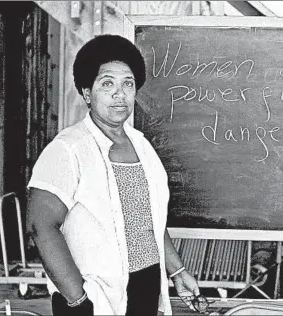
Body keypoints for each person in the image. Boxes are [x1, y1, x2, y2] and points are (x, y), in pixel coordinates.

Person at [26, 34, 201, 316]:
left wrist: (177, 271)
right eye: (107, 83)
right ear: (86, 92)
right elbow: (41, 225)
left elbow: (151, 219)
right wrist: (77, 300)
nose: (120, 94)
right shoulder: (68, 149)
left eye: (127, 84)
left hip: (145, 285)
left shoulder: (142, 146)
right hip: (93, 296)